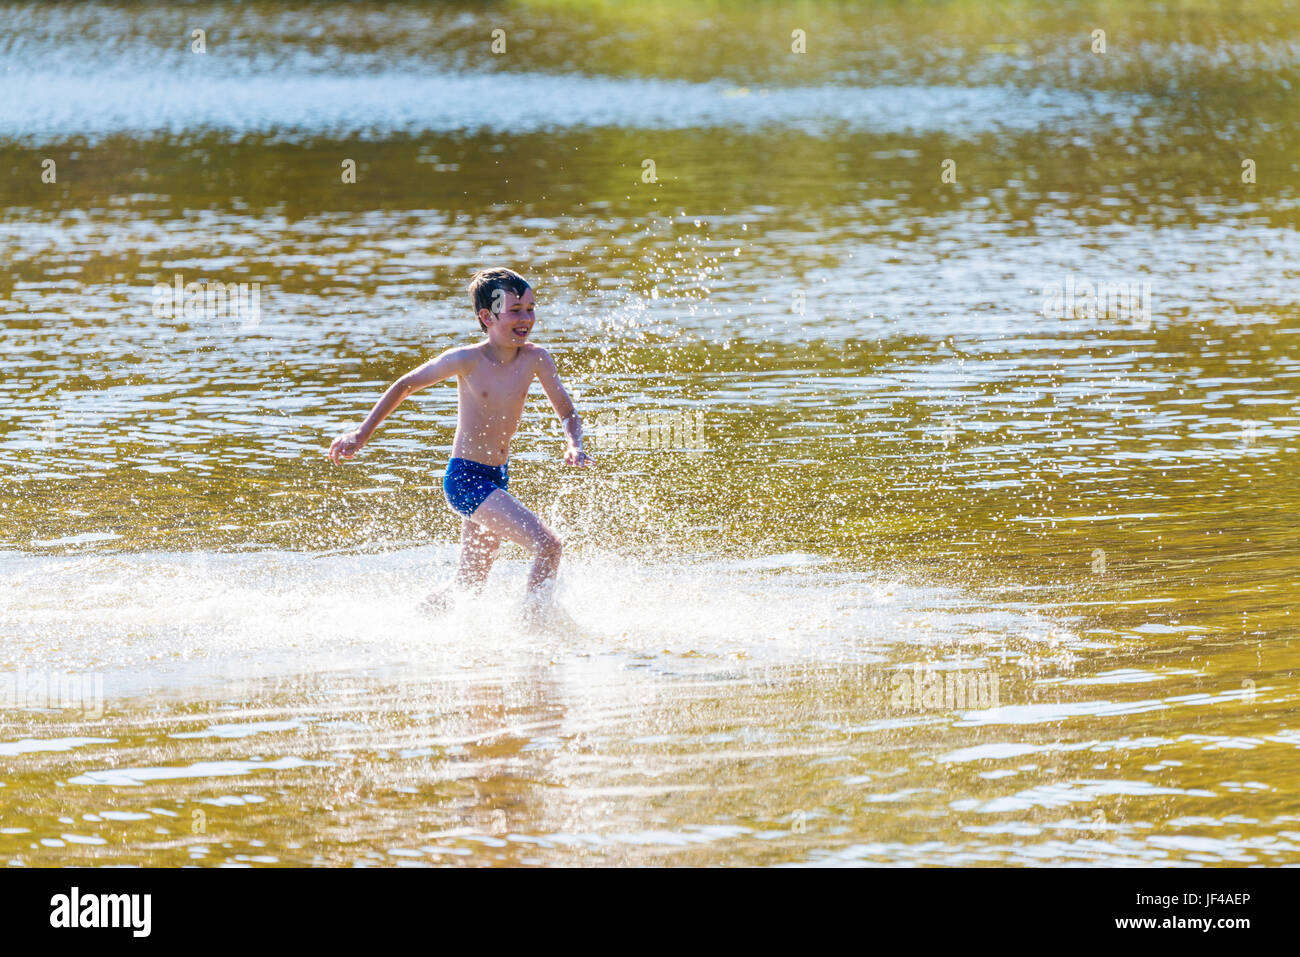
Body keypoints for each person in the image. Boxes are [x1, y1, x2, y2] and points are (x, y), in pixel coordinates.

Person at [327, 267, 593, 621]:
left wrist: (573, 443)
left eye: (531, 308)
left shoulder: (536, 359)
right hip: (466, 479)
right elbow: (405, 385)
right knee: (548, 545)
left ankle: (402, 624)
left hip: (497, 476)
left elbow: (567, 411)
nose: (526, 318)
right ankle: (534, 628)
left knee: (468, 586)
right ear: (487, 316)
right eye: (515, 310)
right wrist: (360, 435)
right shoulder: (467, 359)